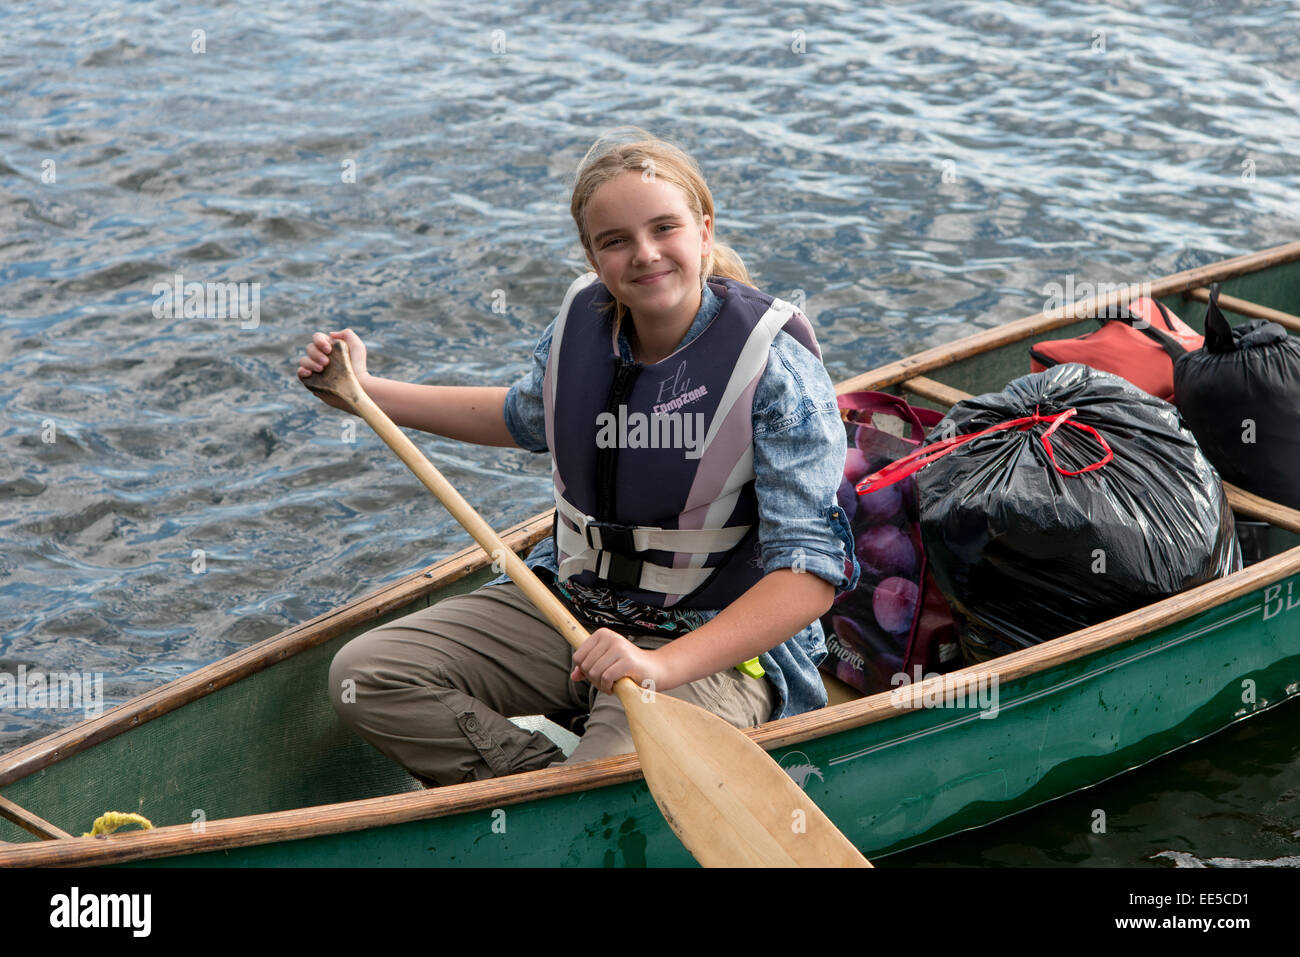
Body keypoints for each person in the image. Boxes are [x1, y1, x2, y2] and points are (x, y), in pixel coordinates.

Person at [297, 131, 857, 787]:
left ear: (703, 232)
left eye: (664, 228)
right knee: (367, 674)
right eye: (615, 240)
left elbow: (811, 577)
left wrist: (658, 668)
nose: (644, 254)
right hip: (574, 610)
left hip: (710, 649)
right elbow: (521, 415)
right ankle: (543, 781)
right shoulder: (581, 326)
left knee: (601, 787)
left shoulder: (776, 369)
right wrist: (365, 394)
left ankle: (574, 792)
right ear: (593, 256)